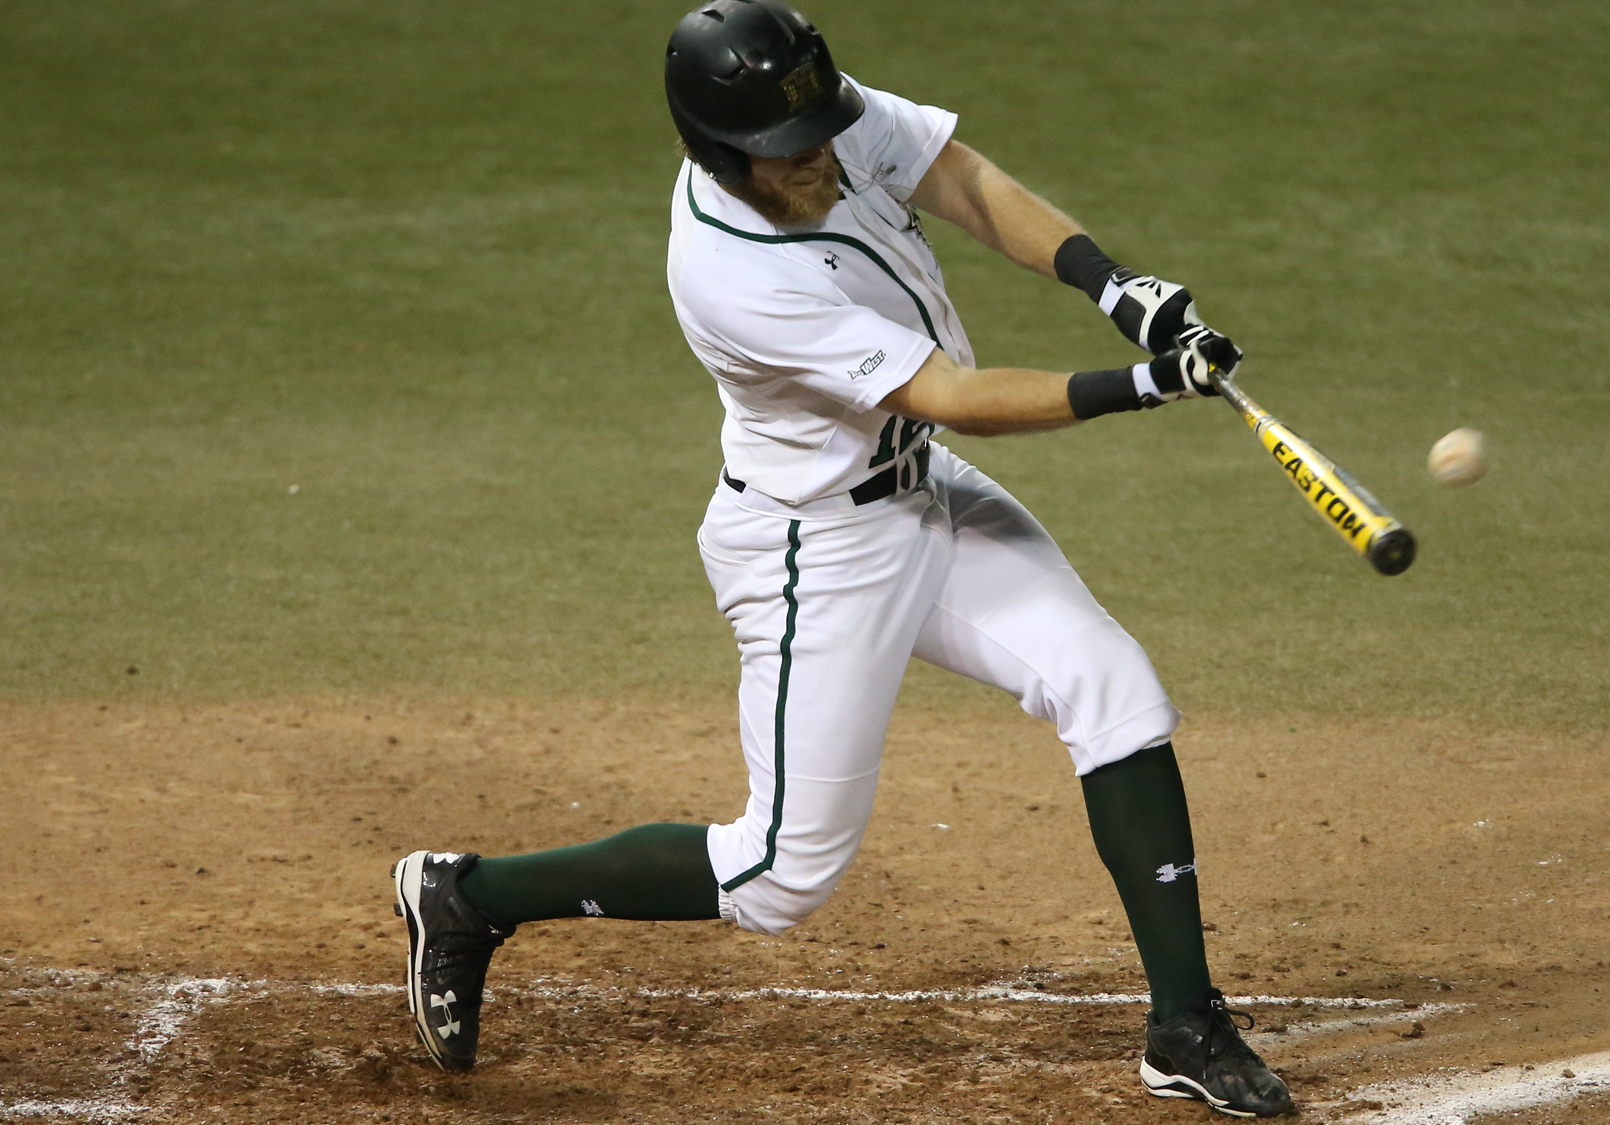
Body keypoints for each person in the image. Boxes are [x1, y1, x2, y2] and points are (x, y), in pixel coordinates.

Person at [394, 0, 1291, 1115]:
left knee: (1112, 690)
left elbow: (953, 174)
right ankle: (472, 896)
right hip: (816, 548)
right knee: (774, 875)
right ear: (722, 156)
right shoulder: (731, 273)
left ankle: (1184, 1028)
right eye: (787, 152)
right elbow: (950, 398)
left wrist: (1113, 285)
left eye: (819, 126)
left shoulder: (810, 116)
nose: (819, 154)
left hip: (924, 498)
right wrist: (1142, 384)